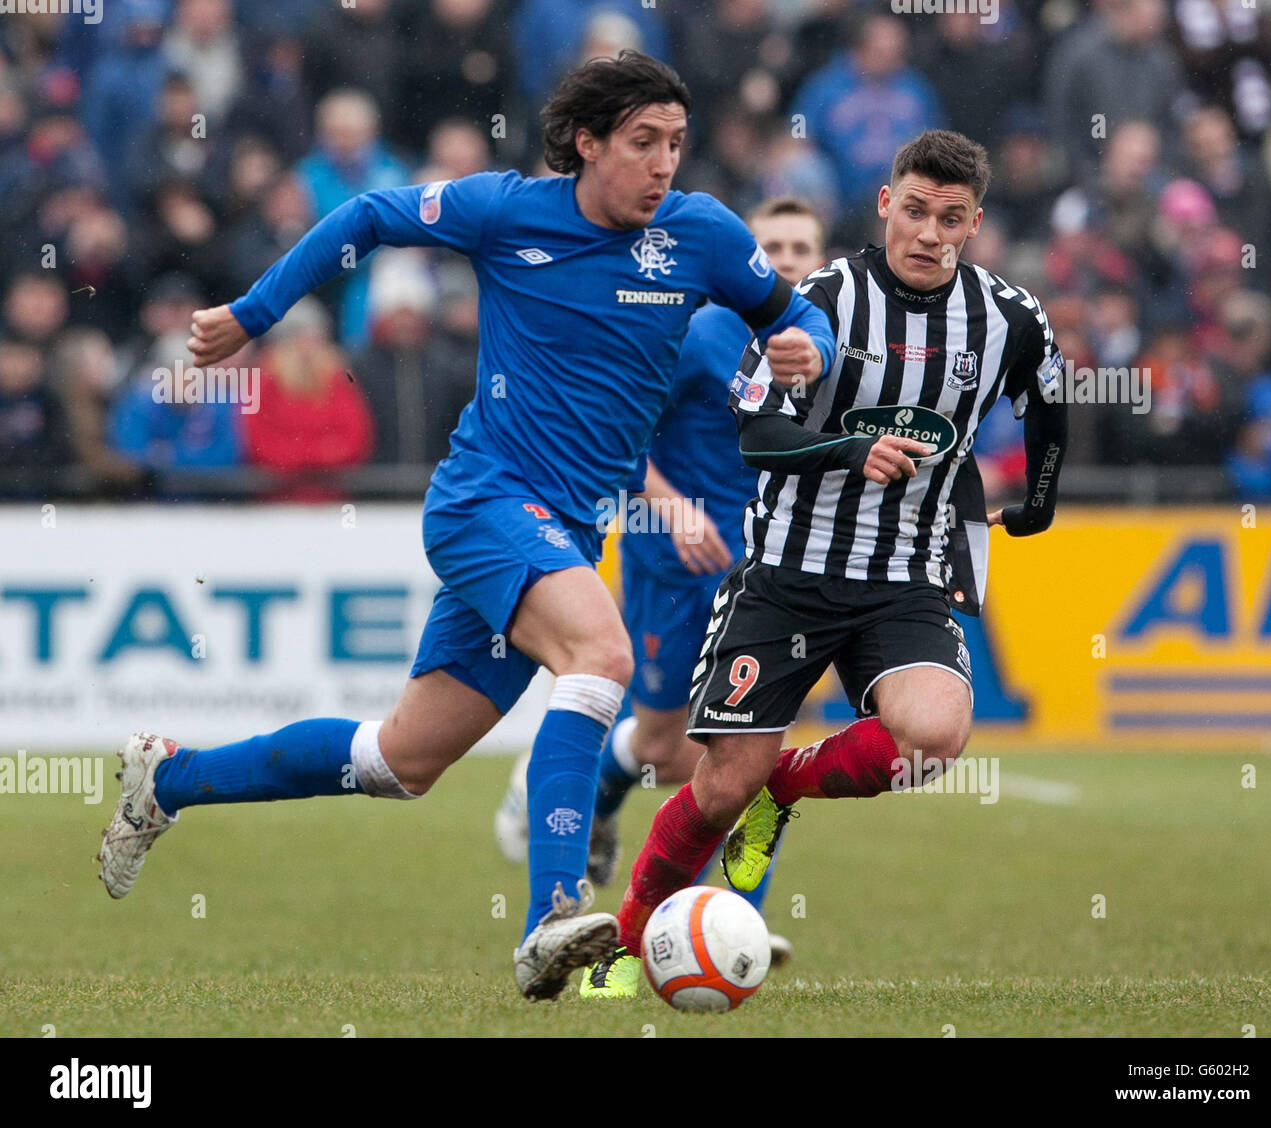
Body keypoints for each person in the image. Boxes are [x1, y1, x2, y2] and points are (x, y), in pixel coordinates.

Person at [97, 51, 835, 1003]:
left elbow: (802, 317)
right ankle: (550, 917)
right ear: (587, 143)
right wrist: (254, 312)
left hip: (566, 532)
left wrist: (801, 346)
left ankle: (168, 779)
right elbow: (367, 217)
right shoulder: (508, 211)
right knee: (601, 657)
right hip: (485, 499)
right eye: (645, 143)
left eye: (677, 145)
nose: (664, 164)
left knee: (399, 761)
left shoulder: (701, 234)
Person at [589, 130, 1069, 990]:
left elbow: (1049, 398)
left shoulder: (1008, 316)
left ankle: (789, 788)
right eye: (915, 211)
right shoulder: (818, 302)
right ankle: (625, 945)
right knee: (717, 787)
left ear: (974, 225)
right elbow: (755, 428)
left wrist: (1039, 497)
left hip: (906, 575)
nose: (928, 233)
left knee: (934, 737)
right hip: (786, 573)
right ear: (886, 204)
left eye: (949, 219)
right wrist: (853, 449)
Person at [493, 198, 829, 991]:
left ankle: (735, 917)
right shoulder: (701, 331)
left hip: (769, 575)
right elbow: (616, 432)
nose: (784, 257)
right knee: (664, 748)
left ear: (821, 257)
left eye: (800, 246)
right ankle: (606, 786)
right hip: (670, 564)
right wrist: (670, 503)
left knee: (754, 748)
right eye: (770, 244)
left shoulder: (823, 348)